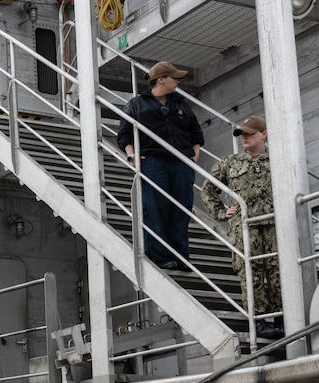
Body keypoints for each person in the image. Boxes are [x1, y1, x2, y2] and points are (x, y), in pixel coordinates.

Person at [117, 61, 205, 270]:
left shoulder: (181, 104)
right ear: (161, 79)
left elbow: (195, 132)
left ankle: (181, 257)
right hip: (153, 161)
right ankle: (160, 255)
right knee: (155, 208)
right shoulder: (137, 104)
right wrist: (132, 156)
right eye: (174, 77)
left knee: (181, 208)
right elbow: (125, 134)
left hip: (181, 162)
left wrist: (195, 154)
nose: (177, 81)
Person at [201, 116, 282, 339]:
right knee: (251, 274)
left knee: (278, 272)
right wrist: (220, 212)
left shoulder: (278, 159)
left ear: (264, 134)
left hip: (275, 226)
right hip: (245, 230)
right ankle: (259, 321)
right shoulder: (231, 163)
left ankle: (282, 318)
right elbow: (207, 189)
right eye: (242, 134)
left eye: (249, 133)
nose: (244, 137)